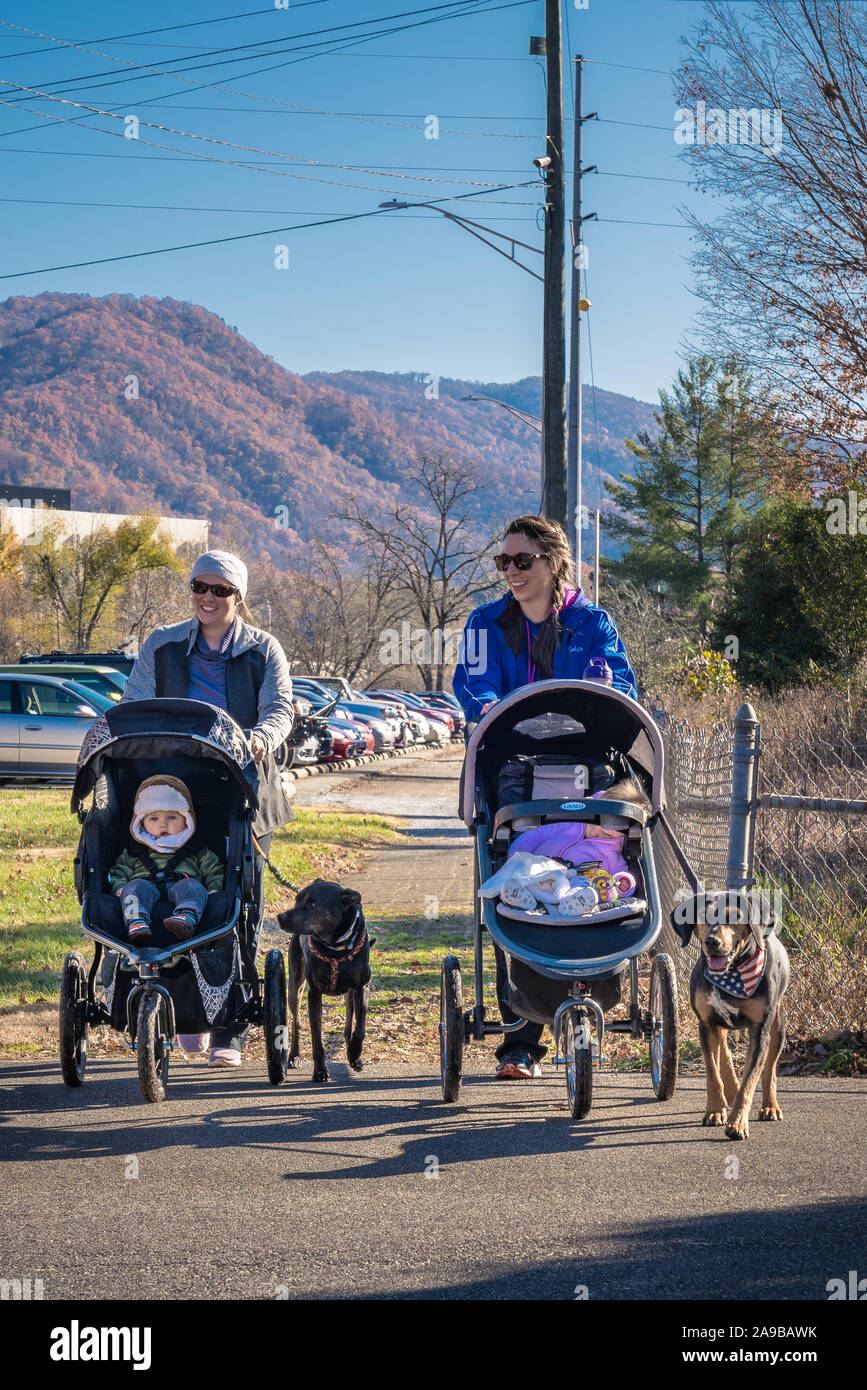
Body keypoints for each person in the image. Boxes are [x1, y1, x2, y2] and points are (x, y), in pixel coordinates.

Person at [452, 514, 637, 1080]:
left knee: (595, 861)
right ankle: (523, 1038)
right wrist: (485, 706)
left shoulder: (590, 623)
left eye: (522, 561)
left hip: (587, 762)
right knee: (518, 873)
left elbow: (619, 686)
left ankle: (594, 976)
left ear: (554, 562)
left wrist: (604, 685)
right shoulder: (486, 624)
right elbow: (474, 682)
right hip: (514, 764)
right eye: (503, 562)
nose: (511, 571)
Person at [122, 549, 294, 1067]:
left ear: (239, 597)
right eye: (200, 586)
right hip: (171, 781)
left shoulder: (263, 649)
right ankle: (178, 1008)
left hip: (238, 782)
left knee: (235, 901)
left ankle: (229, 1025)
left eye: (220, 590)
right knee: (163, 882)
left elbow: (281, 708)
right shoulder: (163, 643)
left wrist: (261, 739)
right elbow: (134, 703)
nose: (208, 598)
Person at [110, 776, 224, 944]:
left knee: (194, 887)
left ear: (186, 819)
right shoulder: (136, 849)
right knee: (133, 888)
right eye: (154, 818)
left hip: (183, 884)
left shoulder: (195, 847)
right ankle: (136, 922)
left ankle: (186, 918)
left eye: (171, 817)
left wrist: (214, 888)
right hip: (144, 885)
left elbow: (214, 870)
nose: (163, 824)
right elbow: (119, 870)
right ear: (142, 822)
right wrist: (120, 887)